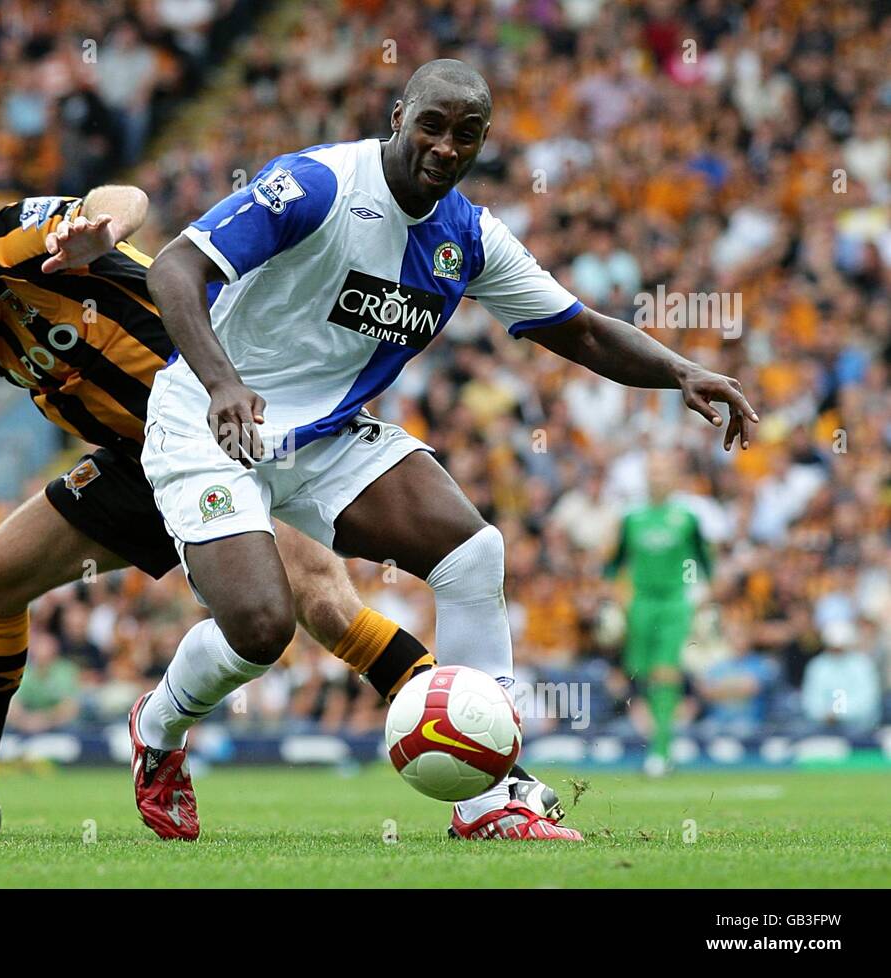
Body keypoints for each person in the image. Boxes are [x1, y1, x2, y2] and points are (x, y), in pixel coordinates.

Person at [135, 58, 755, 841]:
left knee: (471, 552)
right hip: (210, 418)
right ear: (399, 116)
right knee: (260, 629)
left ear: (482, 143)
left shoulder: (469, 237)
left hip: (323, 437)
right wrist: (223, 383)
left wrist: (681, 370)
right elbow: (174, 268)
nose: (445, 146)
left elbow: (584, 330)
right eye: (431, 124)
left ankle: (488, 801)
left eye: (467, 134)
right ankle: (157, 731)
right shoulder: (317, 184)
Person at [0, 184, 471, 835]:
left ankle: (490, 780)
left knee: (322, 601)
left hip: (221, 429)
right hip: (138, 462)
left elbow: (124, 196)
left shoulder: (17, 241)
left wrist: (103, 227)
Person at [606, 454, 715, 776]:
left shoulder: (687, 517)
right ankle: (655, 743)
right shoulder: (632, 518)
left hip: (674, 602)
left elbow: (706, 563)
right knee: (641, 674)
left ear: (675, 476)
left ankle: (661, 750)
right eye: (653, 471)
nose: (658, 477)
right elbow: (613, 565)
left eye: (664, 471)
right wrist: (617, 597)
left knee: (666, 673)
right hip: (639, 603)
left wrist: (701, 594)